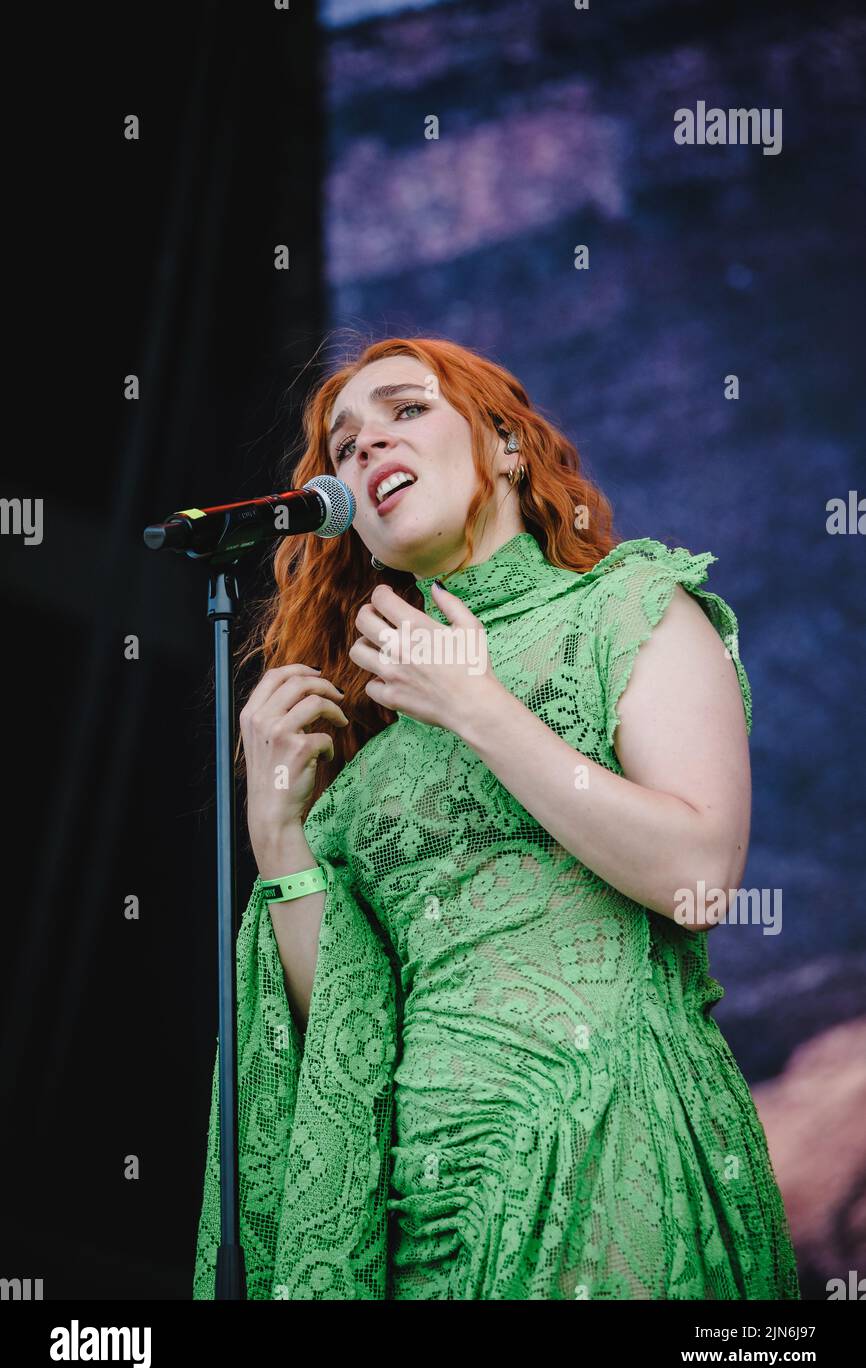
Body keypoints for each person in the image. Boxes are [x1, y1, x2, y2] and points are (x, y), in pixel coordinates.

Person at [193, 336, 800, 1300]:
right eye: (343, 449)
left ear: (508, 443)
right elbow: (346, 1024)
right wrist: (280, 842)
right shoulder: (370, 750)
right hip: (418, 1208)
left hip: (604, 1139)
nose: (366, 452)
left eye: (405, 411)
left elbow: (700, 878)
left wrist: (481, 710)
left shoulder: (629, 608)